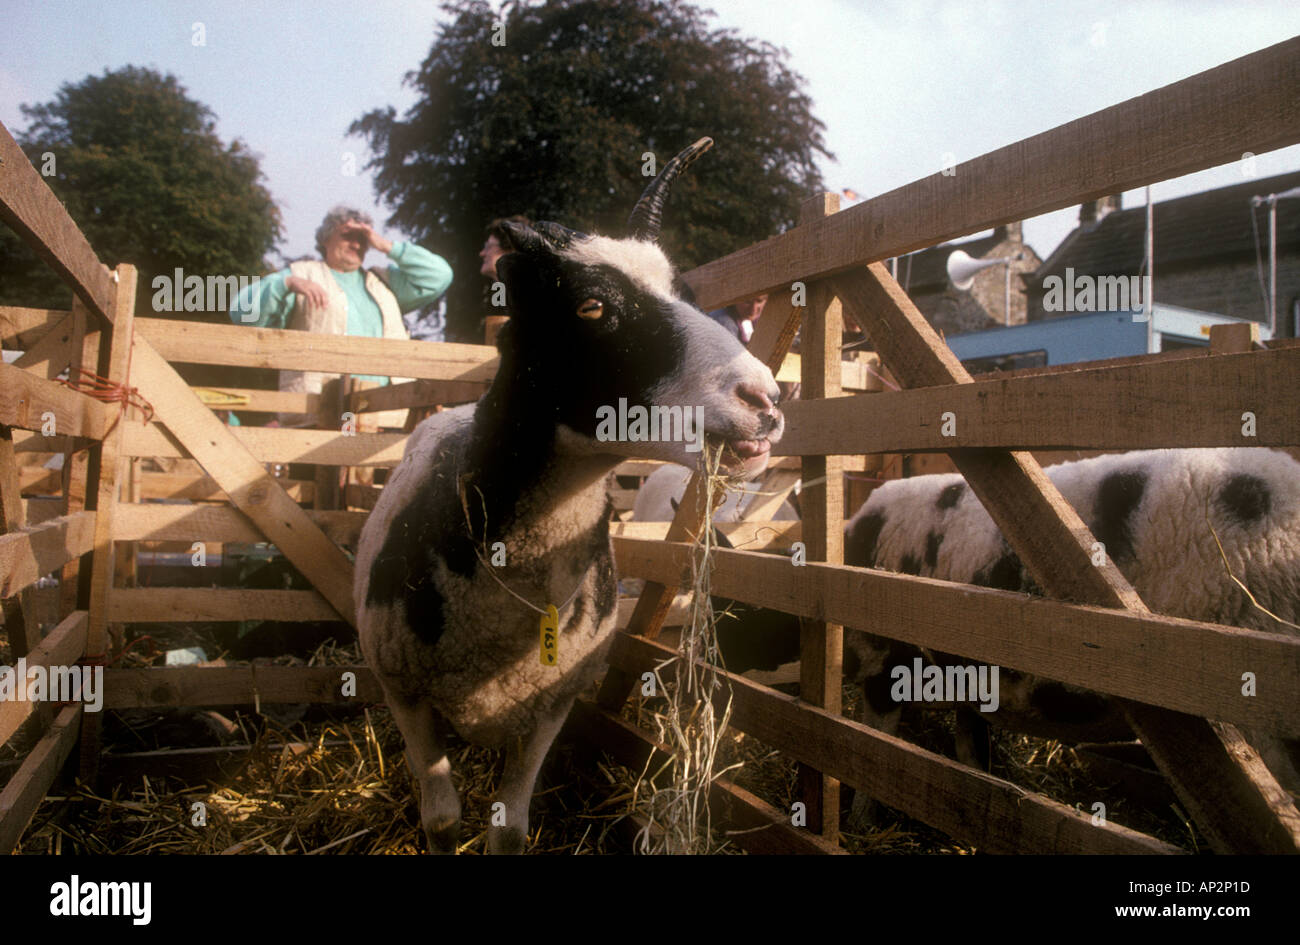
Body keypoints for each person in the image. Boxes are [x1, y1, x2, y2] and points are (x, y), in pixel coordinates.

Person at [230, 205, 452, 426]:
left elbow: (440, 275)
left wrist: (385, 245)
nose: (356, 244)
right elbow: (241, 312)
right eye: (347, 236)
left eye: (362, 238)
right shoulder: (301, 274)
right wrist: (286, 283)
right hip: (318, 415)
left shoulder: (384, 282)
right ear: (326, 238)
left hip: (388, 415)